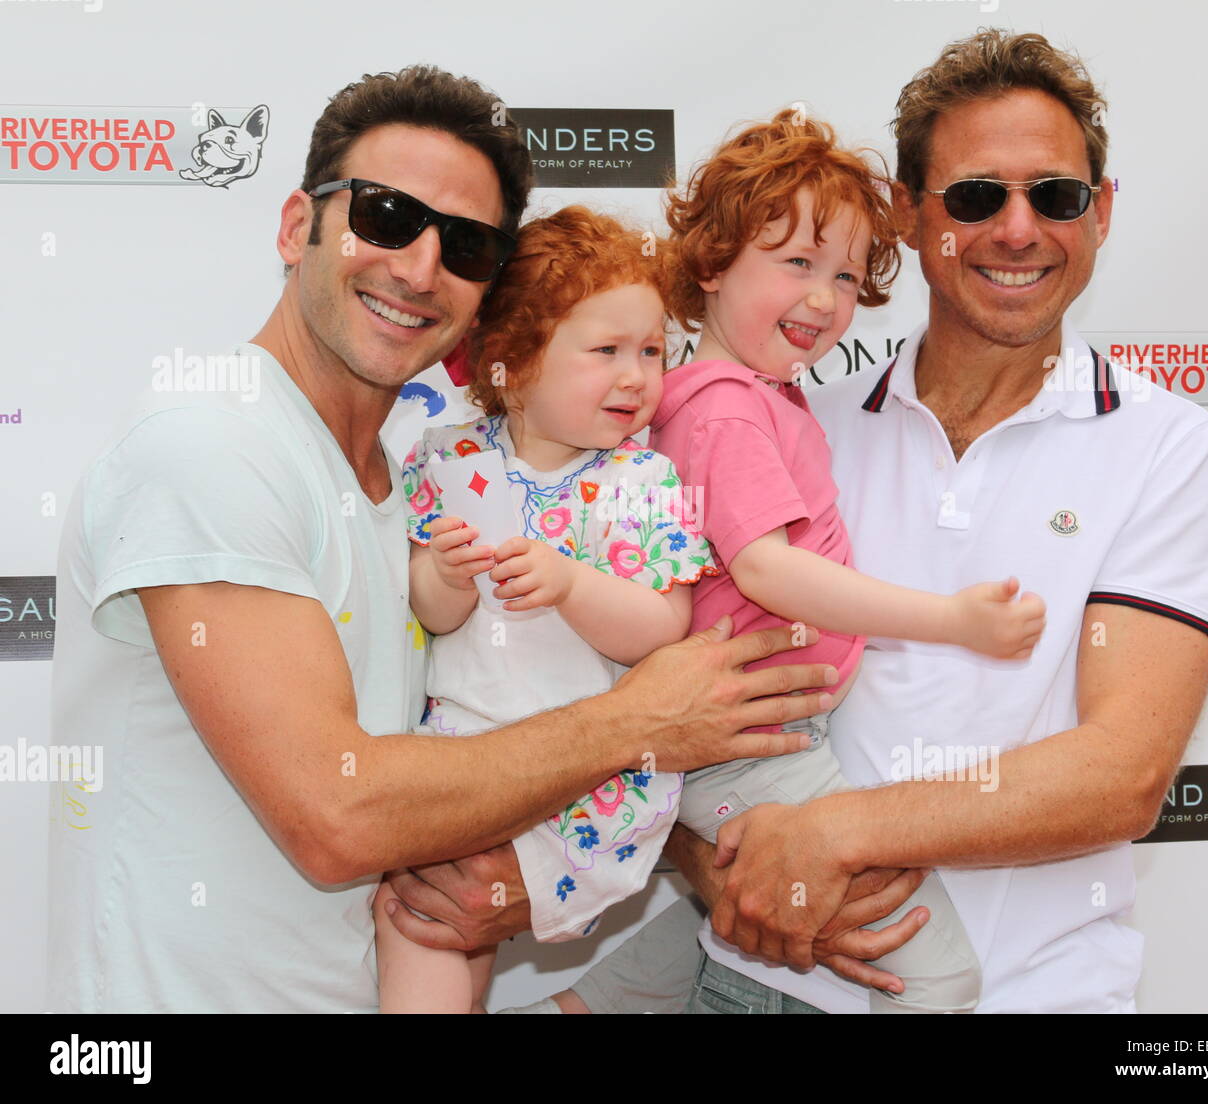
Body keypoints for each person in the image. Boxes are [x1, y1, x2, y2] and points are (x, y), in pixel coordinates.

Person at [44, 67, 834, 1013]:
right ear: (299, 226)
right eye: (384, 216)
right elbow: (338, 815)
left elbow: (461, 753)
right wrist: (640, 726)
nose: (420, 268)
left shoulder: (412, 473)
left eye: (463, 245)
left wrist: (526, 876)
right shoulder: (211, 441)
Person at [495, 30, 1208, 1014]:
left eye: (1052, 195)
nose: (1017, 230)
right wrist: (716, 858)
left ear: (1098, 213)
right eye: (975, 196)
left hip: (1030, 996)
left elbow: (1120, 777)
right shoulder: (798, 421)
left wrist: (834, 833)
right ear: (909, 213)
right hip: (747, 980)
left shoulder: (1164, 444)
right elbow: (658, 688)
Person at [372, 206, 722, 1012]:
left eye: (651, 353)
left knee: (447, 920)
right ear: (515, 363)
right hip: (457, 753)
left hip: (581, 780)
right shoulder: (447, 458)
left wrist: (572, 584)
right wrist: (448, 578)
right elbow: (430, 610)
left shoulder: (647, 483)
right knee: (429, 921)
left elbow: (662, 628)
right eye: (606, 353)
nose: (636, 377)